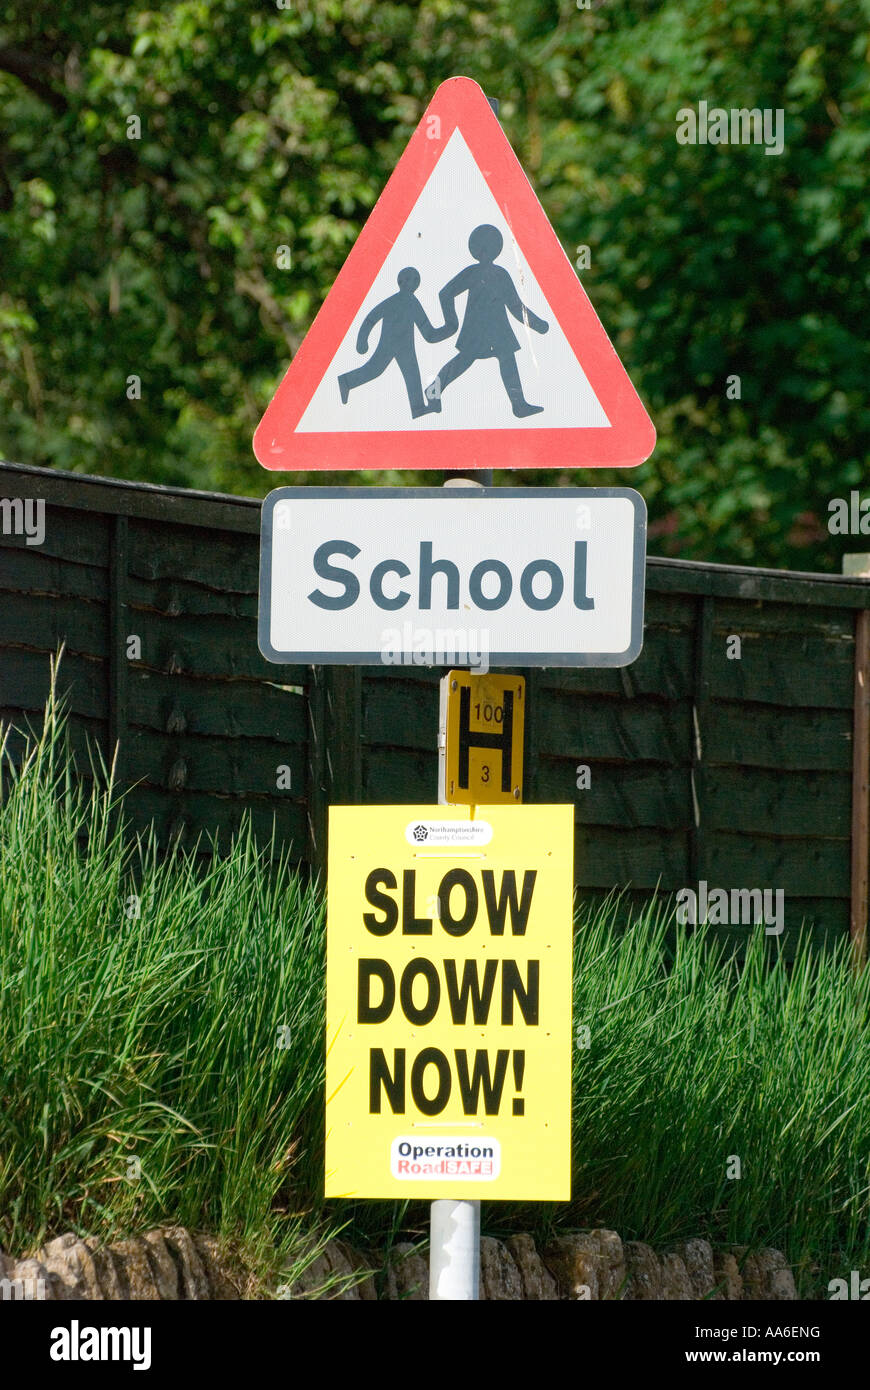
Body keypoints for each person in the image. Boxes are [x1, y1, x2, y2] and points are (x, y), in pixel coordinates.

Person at [425, 224, 549, 417]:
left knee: (507, 359)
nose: (486, 253)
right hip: (476, 329)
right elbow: (445, 293)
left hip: (498, 328)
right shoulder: (472, 273)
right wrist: (452, 322)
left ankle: (519, 405)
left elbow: (516, 306)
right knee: (464, 361)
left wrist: (538, 324)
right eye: (483, 248)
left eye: (491, 248)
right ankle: (434, 390)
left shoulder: (501, 274)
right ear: (476, 250)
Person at [338, 267, 451, 418]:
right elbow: (371, 318)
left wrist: (446, 331)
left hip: (405, 346)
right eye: (412, 279)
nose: (415, 283)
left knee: (411, 376)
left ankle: (418, 409)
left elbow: (428, 332)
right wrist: (362, 341)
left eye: (417, 280)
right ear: (401, 282)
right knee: (375, 370)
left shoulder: (410, 302)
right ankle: (346, 381)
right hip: (390, 344)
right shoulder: (401, 301)